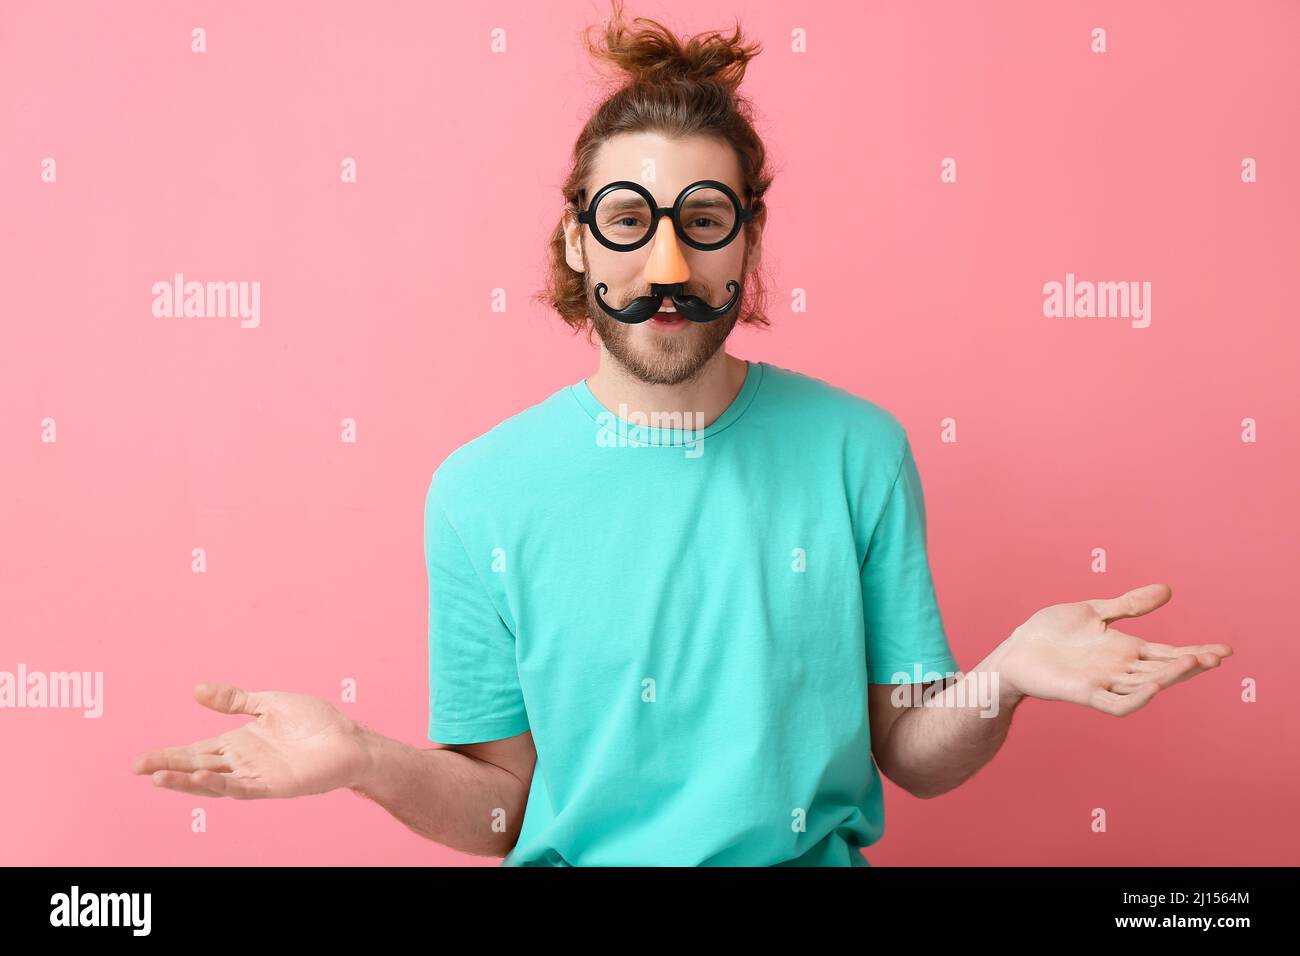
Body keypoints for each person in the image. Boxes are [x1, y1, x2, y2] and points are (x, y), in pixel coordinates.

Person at [132, 2, 1232, 866]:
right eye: (627, 220)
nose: (667, 266)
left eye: (703, 222)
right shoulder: (479, 491)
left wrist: (1002, 676)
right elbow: (504, 811)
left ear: (746, 241)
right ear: (577, 242)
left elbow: (912, 757)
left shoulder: (859, 449)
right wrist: (366, 759)